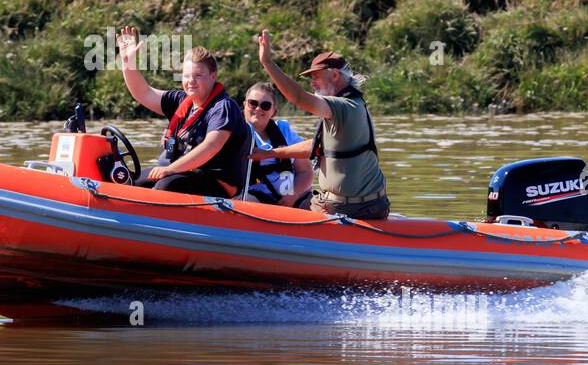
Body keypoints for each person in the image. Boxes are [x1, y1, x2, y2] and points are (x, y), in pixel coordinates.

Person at [253, 30, 390, 220]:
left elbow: (298, 98)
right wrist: (270, 153)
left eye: (316, 77)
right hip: (376, 205)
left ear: (334, 75)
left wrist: (267, 62)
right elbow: (318, 146)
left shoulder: (342, 106)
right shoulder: (354, 104)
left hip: (344, 208)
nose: (312, 84)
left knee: (294, 204)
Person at [116, 25, 250, 198]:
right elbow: (143, 93)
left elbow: (211, 147)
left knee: (166, 184)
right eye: (186, 76)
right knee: (132, 180)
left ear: (213, 76)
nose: (191, 81)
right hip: (185, 171)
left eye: (198, 76)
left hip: (218, 182)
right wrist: (128, 64)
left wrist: (169, 170)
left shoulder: (223, 107)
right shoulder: (180, 100)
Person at [242, 82, 313, 208]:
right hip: (255, 198)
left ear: (274, 111)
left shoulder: (286, 132)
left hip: (292, 198)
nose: (258, 108)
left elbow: (305, 172)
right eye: (253, 103)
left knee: (315, 205)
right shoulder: (235, 133)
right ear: (245, 105)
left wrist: (293, 196)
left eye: (265, 105)